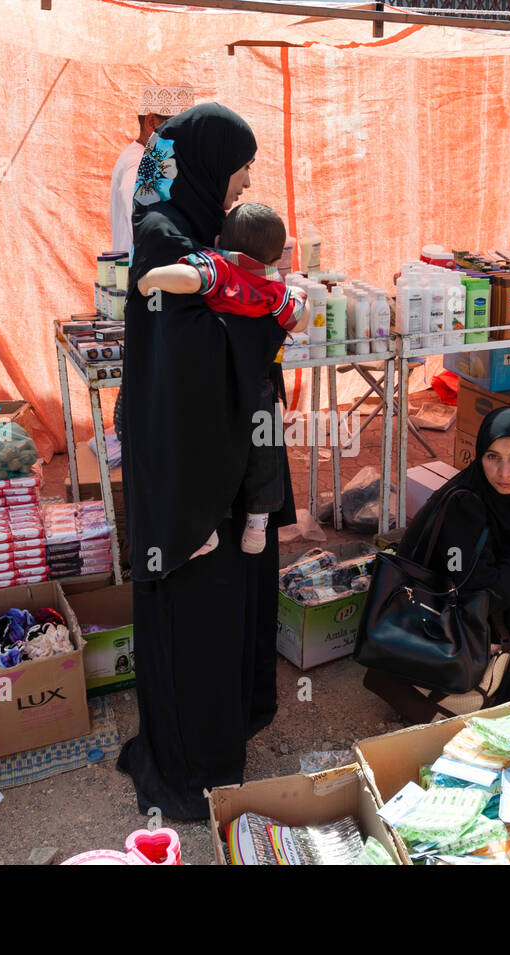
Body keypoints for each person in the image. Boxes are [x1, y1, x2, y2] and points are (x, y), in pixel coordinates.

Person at [117, 103, 292, 820]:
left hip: (224, 452)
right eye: (238, 171)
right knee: (197, 612)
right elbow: (188, 355)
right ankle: (194, 759)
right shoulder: (165, 236)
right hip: (192, 467)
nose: (243, 185)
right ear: (206, 164)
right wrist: (262, 323)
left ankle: (224, 730)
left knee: (229, 605)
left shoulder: (190, 227)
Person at [363, 407, 510, 723]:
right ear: (479, 455)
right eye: (493, 457)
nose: (504, 472)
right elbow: (485, 593)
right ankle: (503, 695)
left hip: (477, 585)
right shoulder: (465, 504)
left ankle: (509, 678)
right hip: (441, 605)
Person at [136, 201, 307, 555]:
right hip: (258, 388)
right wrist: (299, 297)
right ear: (277, 257)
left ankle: (207, 528)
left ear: (218, 241)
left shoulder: (220, 269)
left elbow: (188, 279)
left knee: (208, 454)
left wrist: (150, 279)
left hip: (214, 389)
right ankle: (257, 523)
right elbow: (299, 320)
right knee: (264, 452)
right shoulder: (274, 290)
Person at [109, 84, 194, 254]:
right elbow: (143, 220)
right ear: (152, 123)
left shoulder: (149, 158)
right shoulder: (138, 163)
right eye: (181, 126)